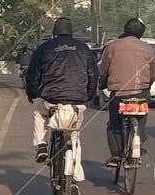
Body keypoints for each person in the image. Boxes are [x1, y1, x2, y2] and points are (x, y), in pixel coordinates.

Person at [24, 17, 99, 169]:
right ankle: (75, 180)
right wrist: (89, 95)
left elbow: (33, 74)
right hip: (77, 100)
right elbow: (93, 74)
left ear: (54, 32)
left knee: (39, 114)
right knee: (74, 135)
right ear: (71, 31)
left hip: (51, 99)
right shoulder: (84, 48)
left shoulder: (44, 48)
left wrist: (32, 92)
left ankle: (41, 145)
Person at [97, 18, 155, 168]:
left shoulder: (112, 46)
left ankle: (116, 155)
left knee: (114, 124)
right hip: (141, 93)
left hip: (118, 94)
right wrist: (146, 87)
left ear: (124, 30)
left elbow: (103, 70)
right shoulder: (148, 48)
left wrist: (102, 84)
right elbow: (152, 74)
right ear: (141, 33)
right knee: (141, 120)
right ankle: (138, 140)